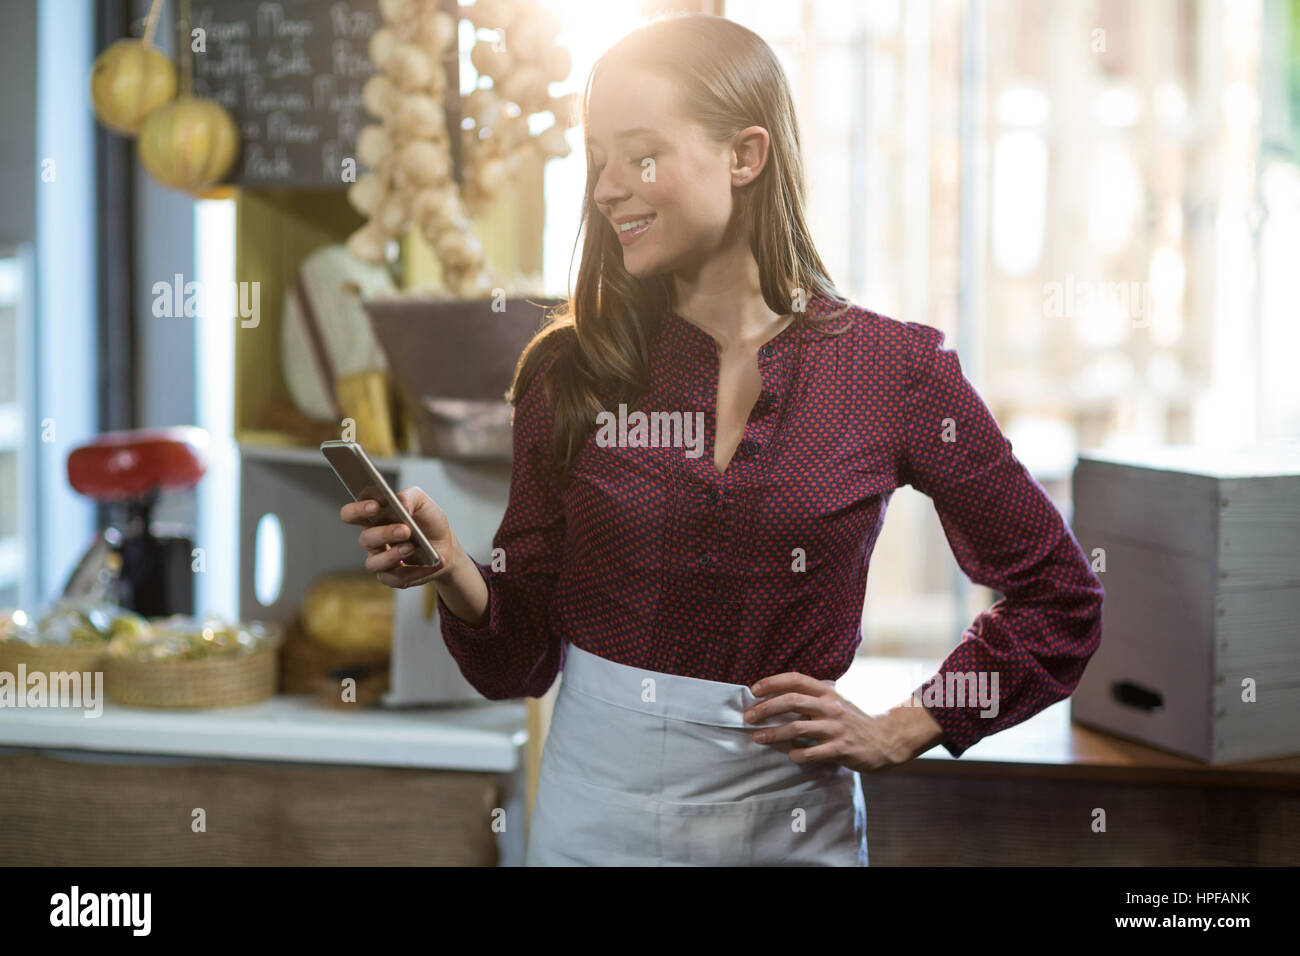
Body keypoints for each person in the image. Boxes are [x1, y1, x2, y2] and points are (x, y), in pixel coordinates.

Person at [340, 12, 1104, 866]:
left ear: (746, 155)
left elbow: (1060, 600)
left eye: (641, 156)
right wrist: (453, 575)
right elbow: (517, 662)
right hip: (592, 820)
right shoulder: (569, 374)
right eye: (599, 161)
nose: (607, 189)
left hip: (791, 826)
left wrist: (911, 724)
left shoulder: (897, 370)